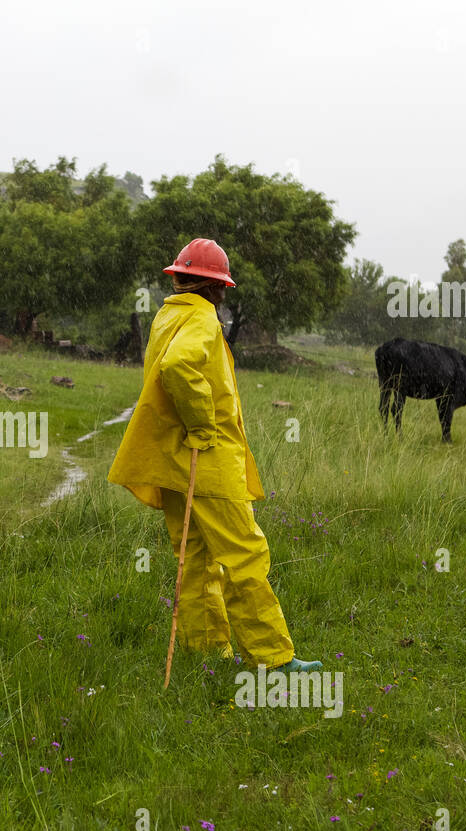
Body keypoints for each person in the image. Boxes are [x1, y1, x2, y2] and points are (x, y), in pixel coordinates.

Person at [107, 238, 320, 673]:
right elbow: (177, 369)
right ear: (211, 287)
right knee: (245, 555)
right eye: (222, 285)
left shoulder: (167, 317)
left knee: (195, 560)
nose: (225, 293)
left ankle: (206, 653)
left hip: (171, 461)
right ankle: (274, 659)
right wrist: (203, 426)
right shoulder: (202, 320)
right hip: (207, 461)